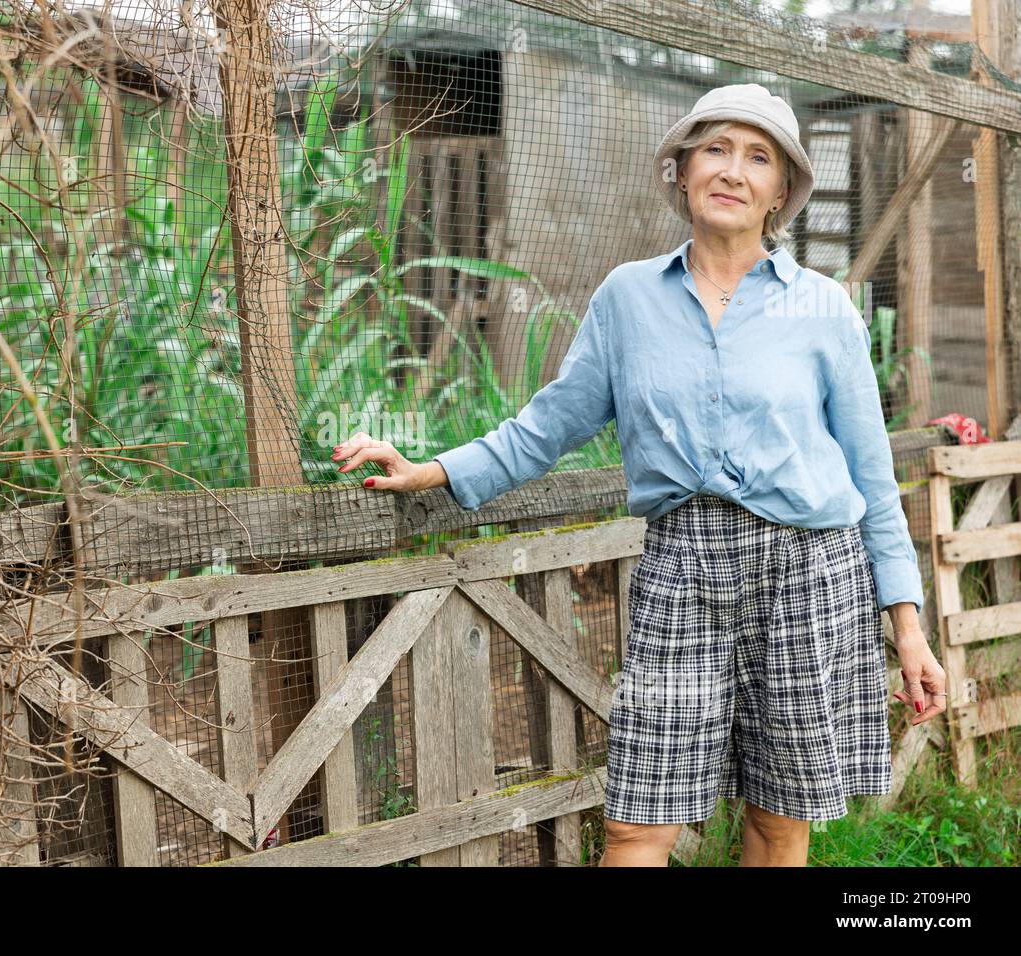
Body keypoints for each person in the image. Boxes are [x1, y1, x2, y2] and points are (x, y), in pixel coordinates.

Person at [330, 83, 946, 867]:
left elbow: (871, 478)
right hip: (681, 569)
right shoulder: (627, 299)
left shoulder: (823, 309)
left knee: (778, 823)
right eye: (715, 149)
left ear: (781, 192)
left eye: (758, 158)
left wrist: (910, 630)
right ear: (682, 170)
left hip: (809, 574)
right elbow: (545, 427)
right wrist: (430, 470)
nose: (733, 170)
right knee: (636, 823)